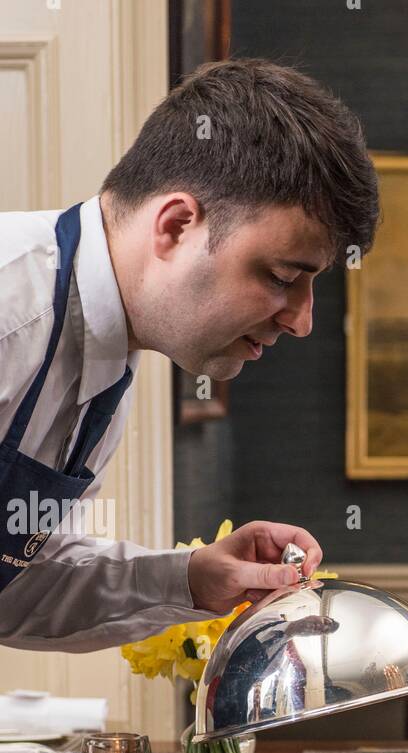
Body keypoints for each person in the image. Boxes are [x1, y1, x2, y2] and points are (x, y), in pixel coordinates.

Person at [0, 58, 379, 652]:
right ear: (176, 225)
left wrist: (193, 578)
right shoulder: (9, 312)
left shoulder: (104, 348)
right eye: (282, 275)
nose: (302, 321)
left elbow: (12, 586)